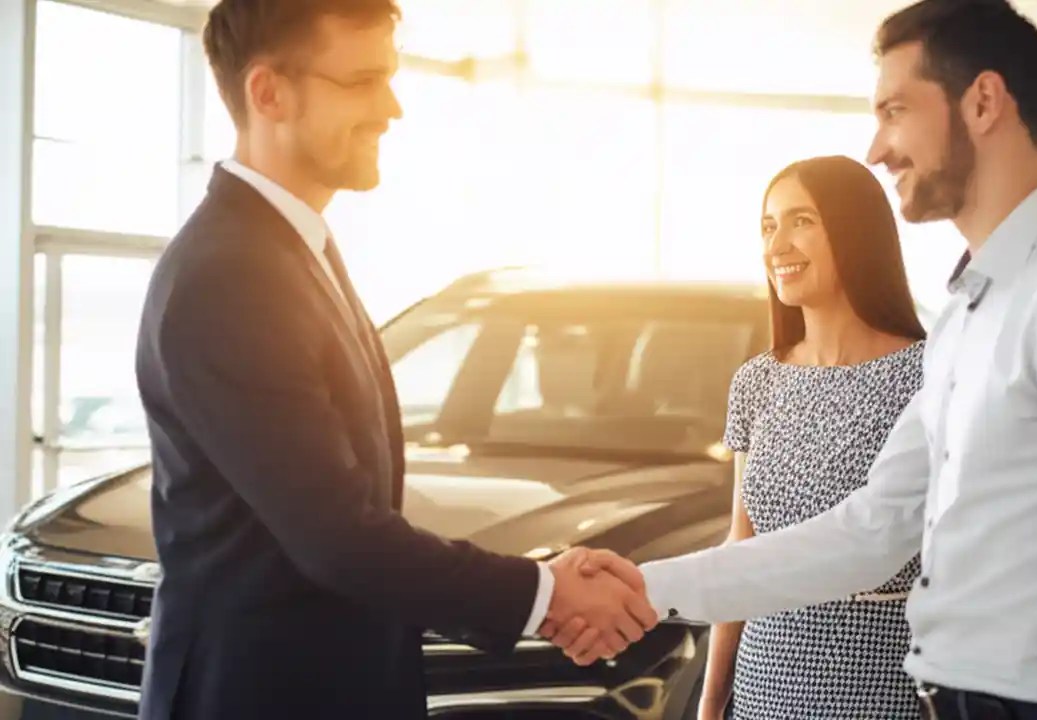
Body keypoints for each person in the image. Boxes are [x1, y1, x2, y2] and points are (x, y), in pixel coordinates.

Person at [554, 2, 1037, 718]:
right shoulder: (973, 313)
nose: (878, 149)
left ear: (982, 102)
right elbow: (869, 530)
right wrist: (645, 586)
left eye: (895, 111)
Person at [133, 1, 655, 718]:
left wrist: (542, 584)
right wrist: (544, 592)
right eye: (362, 81)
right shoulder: (233, 273)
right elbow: (339, 538)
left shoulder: (289, 250)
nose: (392, 107)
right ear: (268, 93)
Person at [694, 156, 926, 720]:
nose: (777, 246)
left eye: (801, 221)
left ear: (855, 231)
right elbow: (740, 550)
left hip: (886, 683)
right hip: (764, 685)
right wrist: (709, 703)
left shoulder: (931, 374)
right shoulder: (758, 381)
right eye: (769, 226)